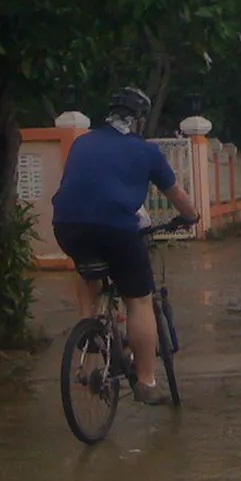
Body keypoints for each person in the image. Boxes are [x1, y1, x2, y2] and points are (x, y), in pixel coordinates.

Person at [51, 87, 199, 405]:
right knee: (139, 301)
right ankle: (146, 381)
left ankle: (88, 358)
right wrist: (191, 217)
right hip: (116, 228)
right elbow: (179, 198)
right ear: (139, 121)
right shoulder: (145, 152)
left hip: (67, 227)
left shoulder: (82, 142)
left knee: (88, 278)